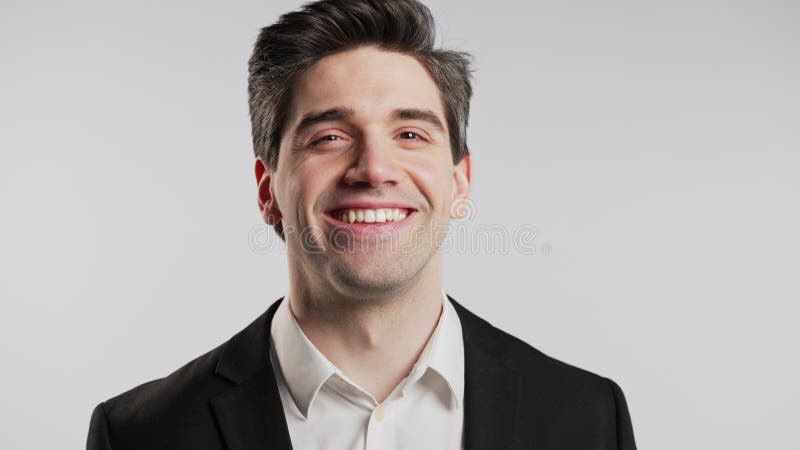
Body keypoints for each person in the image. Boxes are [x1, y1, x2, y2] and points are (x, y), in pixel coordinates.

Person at [86, 1, 636, 449]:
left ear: (460, 183)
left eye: (411, 135)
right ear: (267, 190)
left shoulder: (587, 419)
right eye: (329, 137)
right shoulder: (142, 435)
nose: (374, 169)